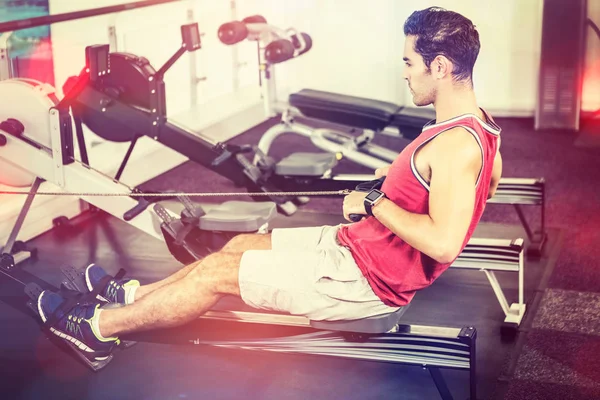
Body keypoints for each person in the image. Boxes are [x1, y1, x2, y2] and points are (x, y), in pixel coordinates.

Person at [36, 6, 502, 365]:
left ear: (439, 67)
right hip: (354, 248)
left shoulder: (455, 143)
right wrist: (392, 202)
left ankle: (98, 328)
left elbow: (443, 244)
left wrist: (376, 202)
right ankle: (134, 298)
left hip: (364, 280)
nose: (405, 72)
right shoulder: (481, 129)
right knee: (236, 245)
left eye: (409, 61)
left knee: (215, 276)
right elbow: (484, 191)